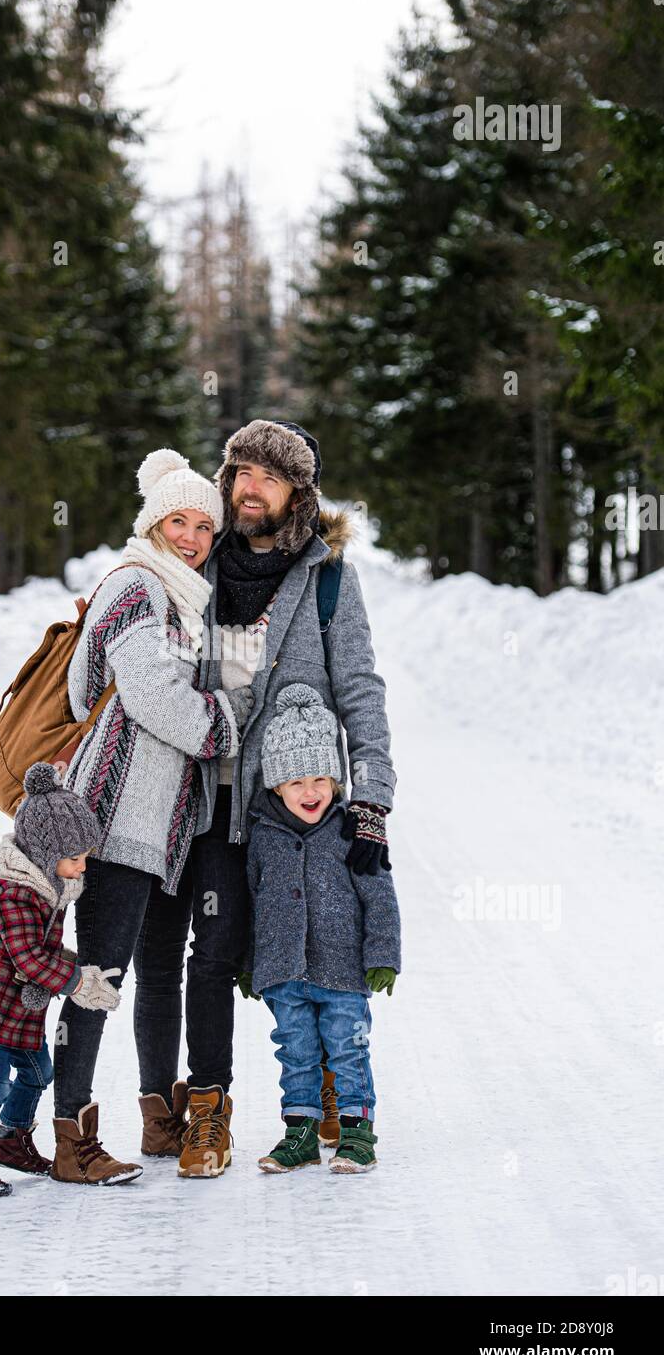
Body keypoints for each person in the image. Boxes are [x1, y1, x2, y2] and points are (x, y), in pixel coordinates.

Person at [180, 419, 396, 1177]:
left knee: (323, 939)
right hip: (211, 801)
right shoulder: (198, 563)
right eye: (242, 471)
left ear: (296, 493)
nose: (251, 487)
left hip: (302, 809)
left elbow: (361, 690)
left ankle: (334, 1093)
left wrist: (370, 799)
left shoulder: (328, 574)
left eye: (270, 477)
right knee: (214, 957)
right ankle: (204, 1113)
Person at [54, 450, 254, 1184]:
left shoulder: (191, 600)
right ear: (153, 522)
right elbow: (151, 696)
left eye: (206, 525)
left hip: (164, 826)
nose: (195, 537)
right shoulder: (138, 584)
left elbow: (208, 689)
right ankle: (71, 1135)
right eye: (180, 520)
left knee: (153, 970)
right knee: (99, 974)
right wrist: (226, 726)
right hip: (116, 817)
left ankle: (158, 1120)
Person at [0, 761, 123, 1197]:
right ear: (46, 855)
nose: (82, 868)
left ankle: (11, 1140)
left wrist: (77, 965)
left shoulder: (49, 889)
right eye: (74, 859)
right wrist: (79, 982)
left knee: (39, 1072)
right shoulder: (16, 895)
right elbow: (27, 958)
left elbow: (40, 954)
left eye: (85, 858)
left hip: (15, 1011)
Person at [245, 683, 401, 1174]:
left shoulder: (352, 829)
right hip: (285, 974)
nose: (310, 792)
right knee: (296, 1055)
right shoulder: (261, 836)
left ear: (335, 779)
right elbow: (252, 901)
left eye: (320, 779)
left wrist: (383, 956)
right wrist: (250, 963)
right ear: (276, 786)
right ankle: (301, 1135)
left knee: (349, 1050)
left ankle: (357, 1136)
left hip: (343, 971)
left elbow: (380, 896)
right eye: (296, 783)